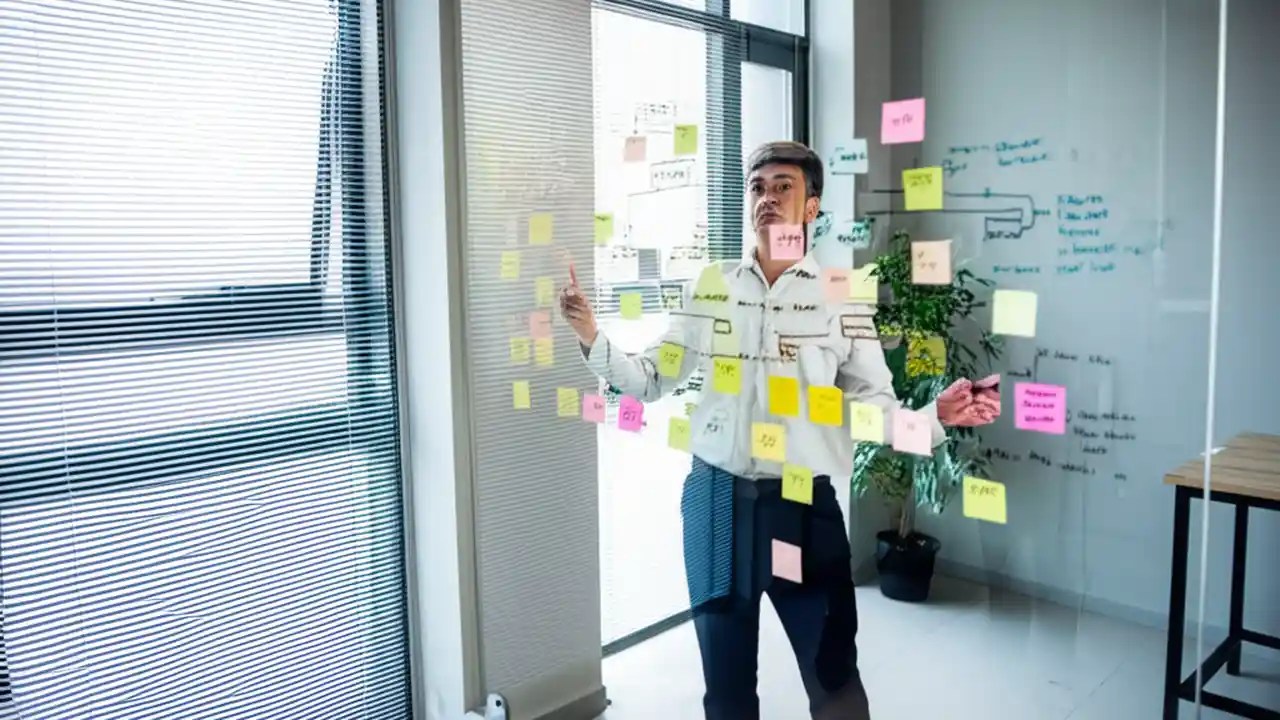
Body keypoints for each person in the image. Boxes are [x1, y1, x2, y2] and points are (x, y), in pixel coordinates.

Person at [559, 141, 999, 720]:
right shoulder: (712, 284)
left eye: (783, 187)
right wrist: (591, 334)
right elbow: (651, 380)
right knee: (727, 688)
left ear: (812, 207)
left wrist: (934, 418)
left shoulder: (841, 296)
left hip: (800, 504)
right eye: (758, 187)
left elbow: (872, 407)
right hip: (715, 504)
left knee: (834, 675)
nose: (767, 197)